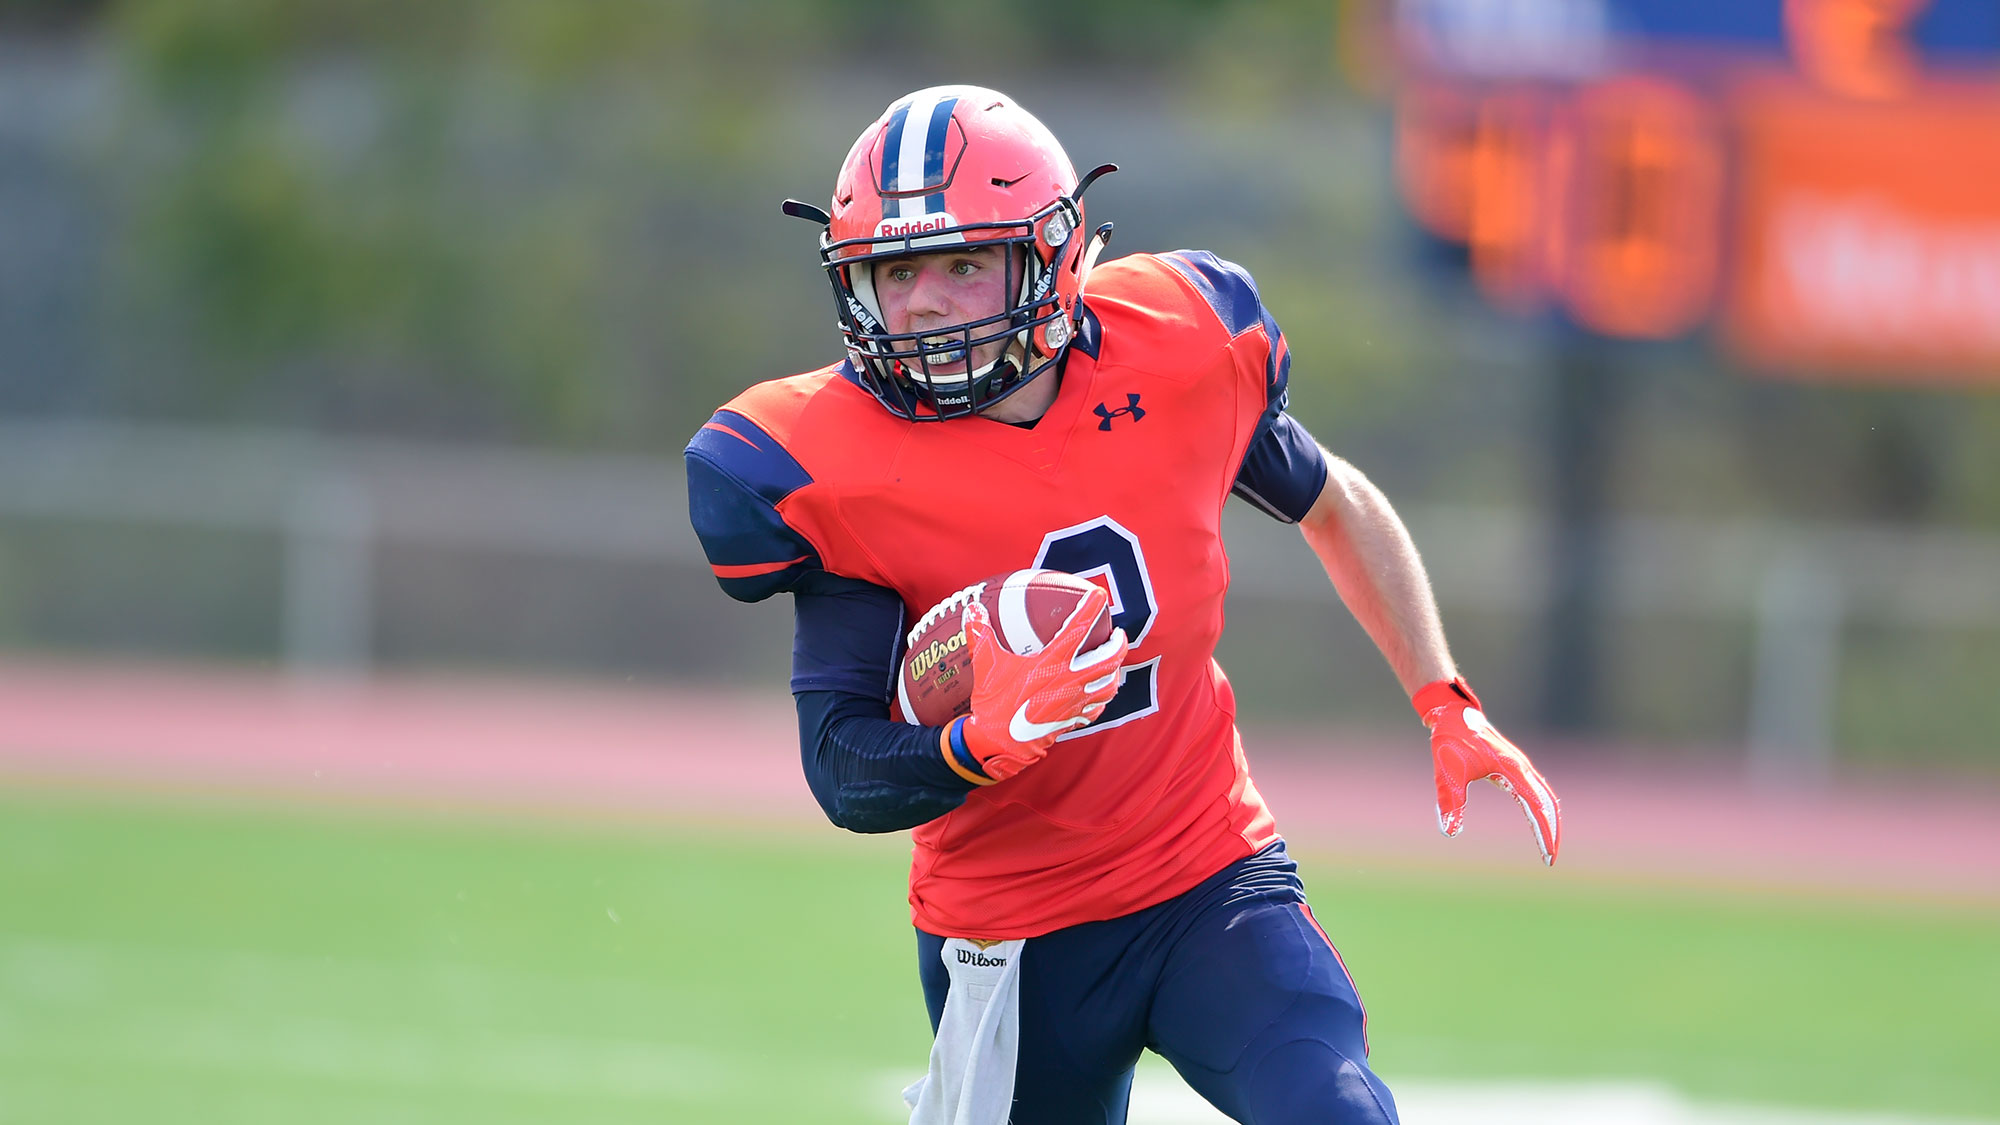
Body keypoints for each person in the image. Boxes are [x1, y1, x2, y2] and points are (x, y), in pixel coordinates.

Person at [685, 85, 1561, 1125]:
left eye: (963, 263)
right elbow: (840, 766)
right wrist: (973, 742)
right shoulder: (827, 465)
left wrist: (1441, 697)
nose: (921, 301)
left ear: (1051, 258)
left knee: (1334, 1109)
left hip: (1204, 878)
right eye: (895, 270)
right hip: (1008, 937)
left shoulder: (1181, 345)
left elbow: (1333, 503)